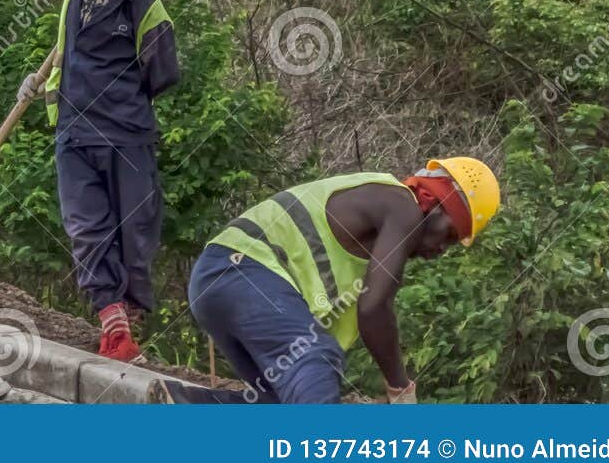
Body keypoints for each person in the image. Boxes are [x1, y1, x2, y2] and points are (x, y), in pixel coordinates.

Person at [187, 158, 500, 403]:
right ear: (434, 203)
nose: (441, 251)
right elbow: (374, 309)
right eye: (449, 234)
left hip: (218, 279)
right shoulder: (402, 207)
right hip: (242, 268)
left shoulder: (372, 248)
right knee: (314, 357)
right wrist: (400, 387)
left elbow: (358, 316)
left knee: (283, 402)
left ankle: (191, 408)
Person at [19, 0, 179, 363]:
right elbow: (64, 43)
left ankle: (127, 317)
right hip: (73, 129)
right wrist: (39, 77)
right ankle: (113, 325)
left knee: (134, 231)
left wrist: (119, 101)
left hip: (127, 136)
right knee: (87, 226)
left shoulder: (145, 6)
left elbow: (163, 74)